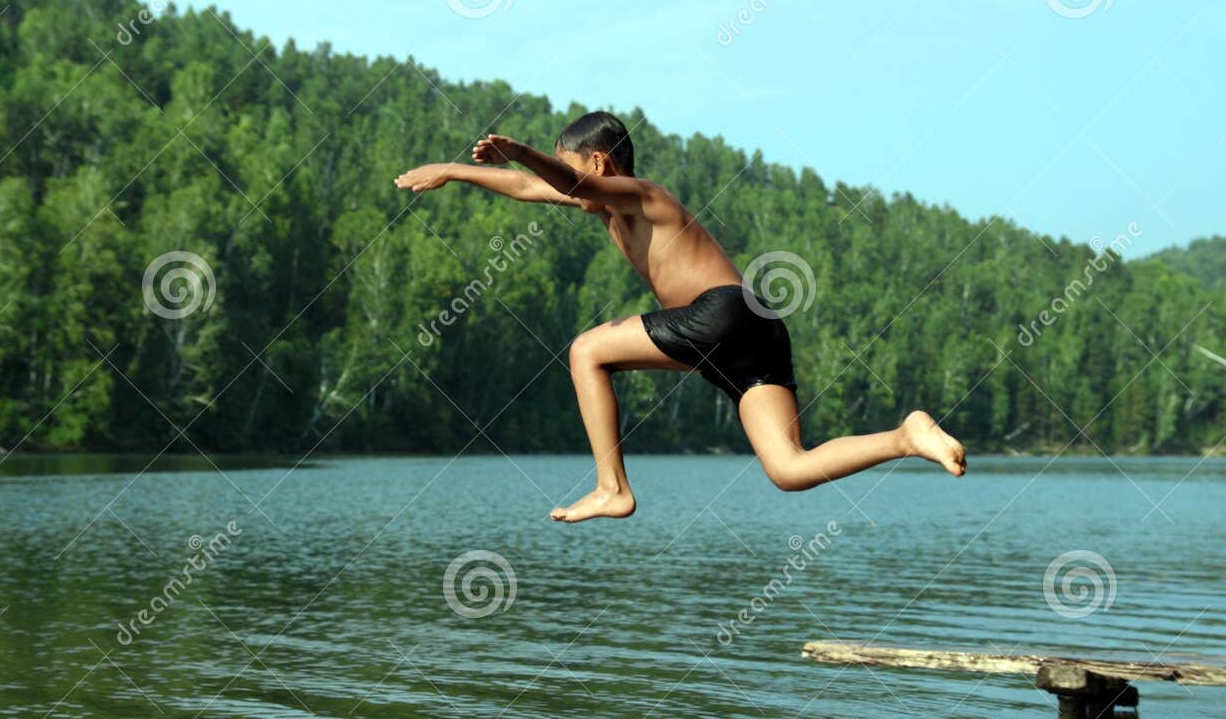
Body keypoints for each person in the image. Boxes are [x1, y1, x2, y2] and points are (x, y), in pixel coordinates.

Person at [394, 111, 965, 523]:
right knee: (789, 469)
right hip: (755, 333)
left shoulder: (643, 195)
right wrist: (452, 170)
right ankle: (904, 437)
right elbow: (528, 186)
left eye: (571, 172)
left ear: (598, 163)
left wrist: (518, 147)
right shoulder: (605, 205)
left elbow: (560, 180)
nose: (562, 188)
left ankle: (612, 487)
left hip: (720, 313)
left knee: (585, 351)